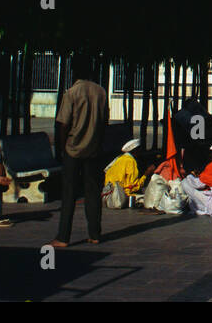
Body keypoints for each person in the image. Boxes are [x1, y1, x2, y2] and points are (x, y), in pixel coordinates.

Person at [50, 66, 109, 247]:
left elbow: (63, 124)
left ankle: (63, 237)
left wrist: (61, 148)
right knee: (92, 192)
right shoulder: (101, 92)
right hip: (94, 149)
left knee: (69, 193)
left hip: (73, 149)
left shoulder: (72, 92)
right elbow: (104, 121)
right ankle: (95, 234)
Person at [103, 139, 151, 206]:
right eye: (139, 150)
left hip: (109, 194)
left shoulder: (119, 159)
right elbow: (134, 186)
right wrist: (146, 174)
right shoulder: (131, 161)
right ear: (135, 150)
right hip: (121, 195)